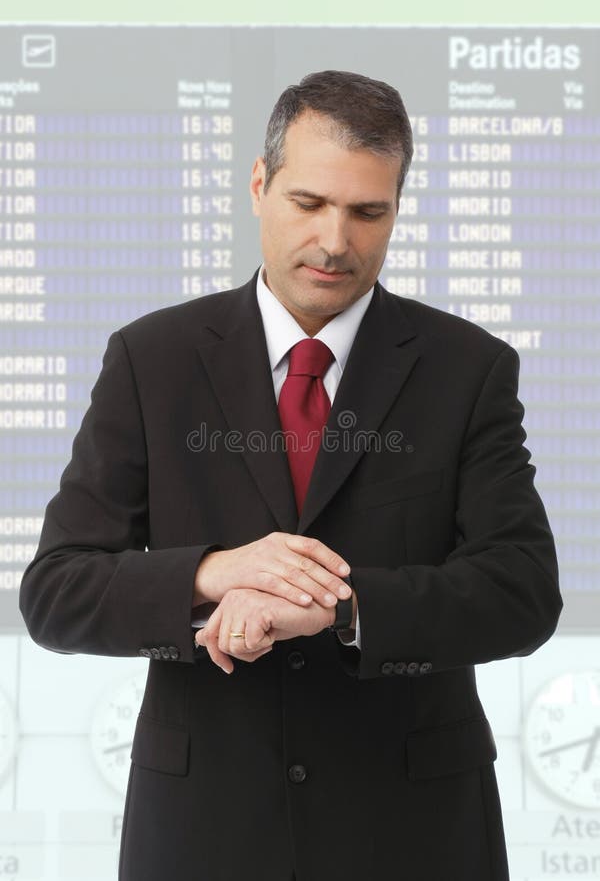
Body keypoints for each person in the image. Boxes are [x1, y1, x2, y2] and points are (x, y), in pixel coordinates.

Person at [20, 70, 561, 881]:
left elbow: (520, 592)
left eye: (367, 212)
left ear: (397, 210)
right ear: (258, 186)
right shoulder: (152, 360)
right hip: (204, 833)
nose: (336, 241)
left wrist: (340, 609)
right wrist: (212, 573)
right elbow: (56, 591)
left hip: (414, 833)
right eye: (309, 203)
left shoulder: (468, 369)